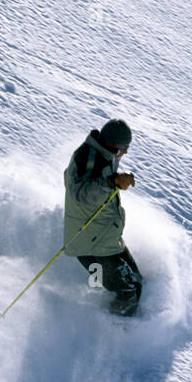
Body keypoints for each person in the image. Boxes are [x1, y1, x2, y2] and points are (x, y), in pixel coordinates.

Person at [63, 118, 142, 316]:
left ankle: (118, 316)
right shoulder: (88, 158)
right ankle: (112, 331)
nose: (125, 152)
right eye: (124, 146)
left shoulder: (106, 154)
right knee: (127, 293)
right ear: (111, 142)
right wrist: (111, 182)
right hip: (91, 244)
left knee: (136, 281)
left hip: (105, 237)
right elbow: (80, 195)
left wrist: (114, 180)